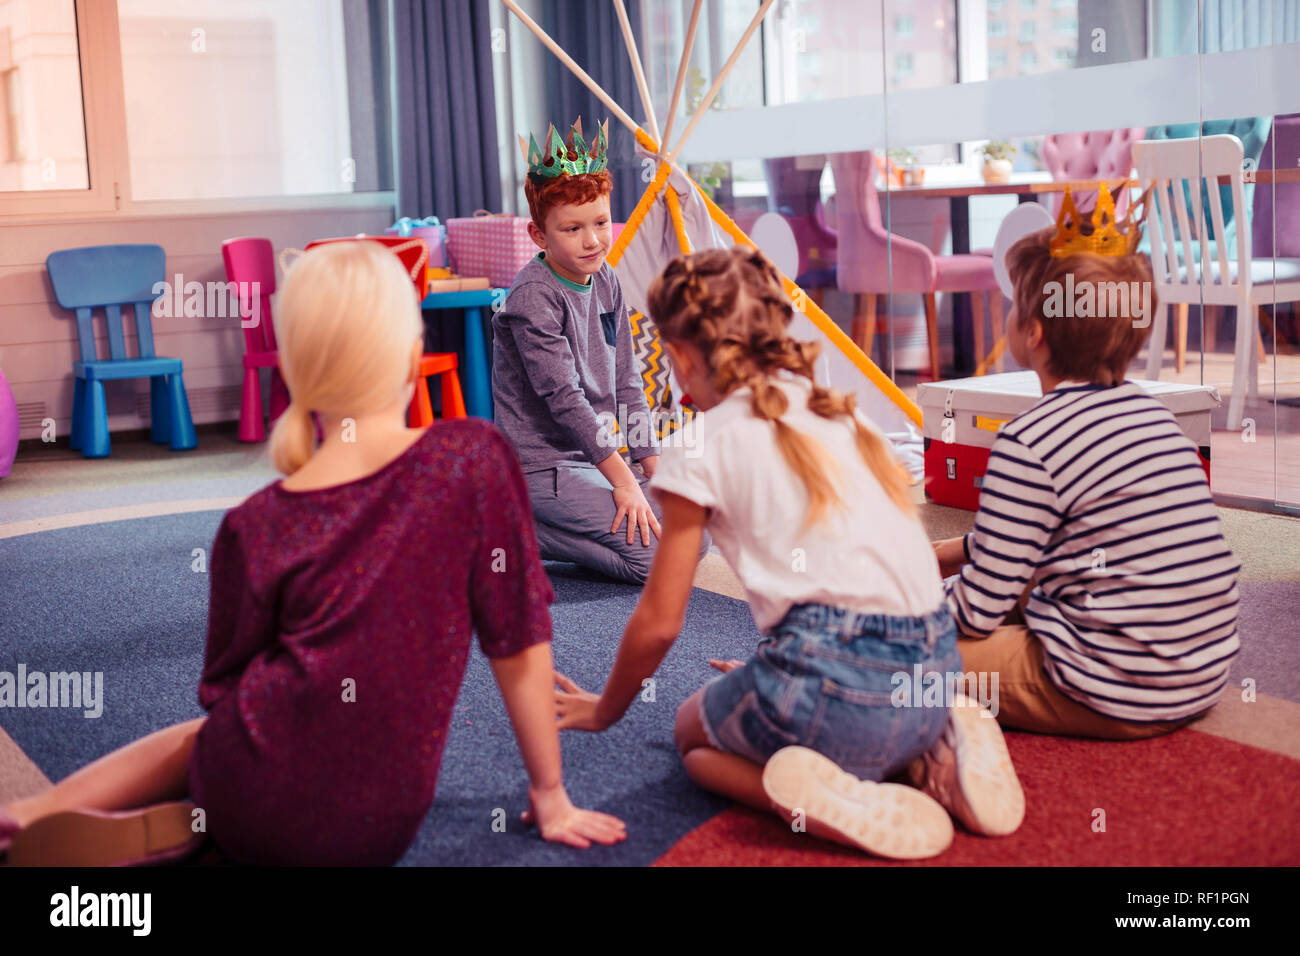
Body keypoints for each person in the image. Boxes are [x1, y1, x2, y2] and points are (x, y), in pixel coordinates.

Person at [0, 241, 625, 866]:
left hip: (246, 780)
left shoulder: (257, 521)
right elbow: (517, 639)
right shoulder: (472, 459)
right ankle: (187, 827)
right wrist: (550, 793)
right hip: (377, 827)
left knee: (207, 739)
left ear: (294, 373)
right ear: (413, 359)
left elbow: (224, 693)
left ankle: (43, 814)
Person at [555, 246, 1024, 860]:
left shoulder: (697, 450)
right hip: (935, 669)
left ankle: (837, 796)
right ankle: (931, 757)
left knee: (692, 740)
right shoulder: (842, 418)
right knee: (825, 698)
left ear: (678, 357)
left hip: (839, 690)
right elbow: (871, 562)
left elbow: (659, 621)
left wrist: (604, 710)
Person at [933, 209, 1241, 739]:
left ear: (1033, 333)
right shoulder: (1153, 416)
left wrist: (895, 613)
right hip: (1203, 669)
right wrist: (941, 557)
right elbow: (1030, 544)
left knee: (905, 654)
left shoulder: (1028, 441)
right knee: (1024, 575)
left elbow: (976, 613)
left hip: (1116, 688)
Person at [492, 118, 707, 584]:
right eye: (572, 229)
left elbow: (627, 380)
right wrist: (625, 483)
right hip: (544, 467)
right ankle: (520, 530)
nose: (592, 240)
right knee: (655, 560)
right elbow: (566, 401)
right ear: (538, 235)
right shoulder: (534, 296)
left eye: (601, 222)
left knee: (696, 534)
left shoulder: (607, 279)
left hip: (602, 455)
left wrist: (652, 466)